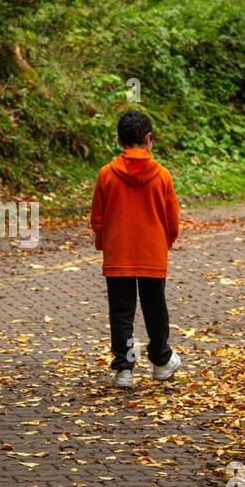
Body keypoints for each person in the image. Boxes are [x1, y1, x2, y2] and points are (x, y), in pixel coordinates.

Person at [89, 110, 182, 389]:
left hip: (119, 255)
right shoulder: (162, 175)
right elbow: (172, 219)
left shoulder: (107, 174)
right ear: (148, 138)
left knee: (121, 313)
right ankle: (161, 362)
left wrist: (104, 243)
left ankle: (124, 369)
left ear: (120, 141)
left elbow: (97, 218)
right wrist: (165, 242)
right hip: (152, 253)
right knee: (155, 309)